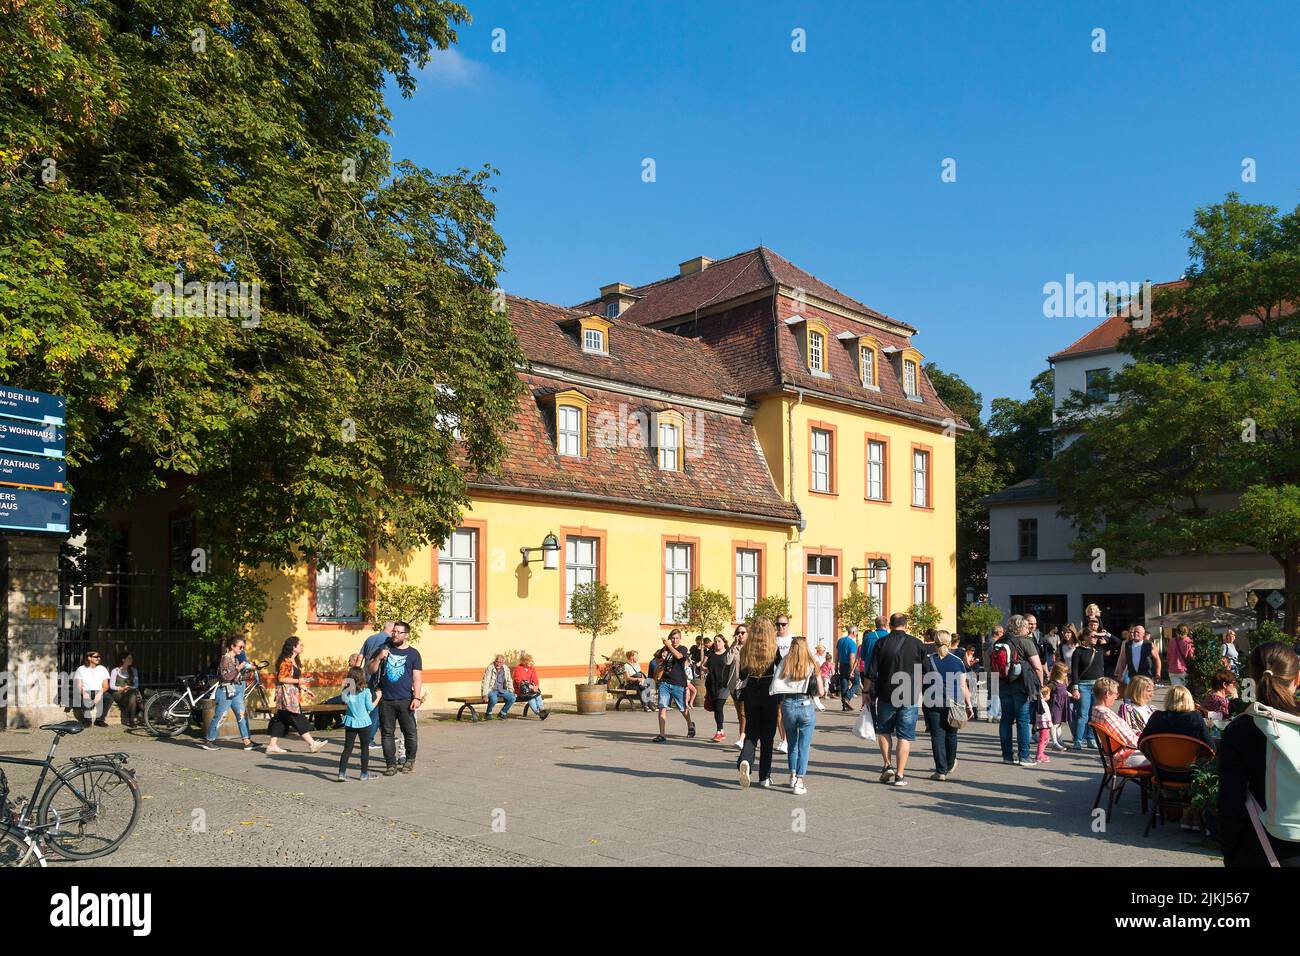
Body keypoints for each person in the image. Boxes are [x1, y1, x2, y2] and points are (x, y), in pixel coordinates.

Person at [1217, 642, 1300, 866]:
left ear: (1251, 679)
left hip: (1259, 847)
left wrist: (1230, 852)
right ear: (1297, 678)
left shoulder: (1241, 729)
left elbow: (1230, 802)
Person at [865, 612, 929, 787]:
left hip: (886, 693)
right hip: (909, 694)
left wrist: (865, 692)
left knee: (884, 731)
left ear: (890, 625)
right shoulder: (917, 644)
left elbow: (870, 671)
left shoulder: (881, 643)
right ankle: (900, 775)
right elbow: (928, 670)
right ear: (906, 625)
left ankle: (887, 765)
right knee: (904, 736)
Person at [367, 621, 422, 775]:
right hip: (386, 700)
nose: (395, 635)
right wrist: (378, 658)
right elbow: (371, 670)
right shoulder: (383, 649)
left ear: (406, 635)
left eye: (398, 632)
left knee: (410, 732)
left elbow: (417, 677)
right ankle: (390, 764)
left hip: (406, 699)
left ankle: (409, 761)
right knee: (387, 733)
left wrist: (416, 698)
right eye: (394, 632)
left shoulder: (413, 654)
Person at [922, 630, 972, 781]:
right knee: (951, 734)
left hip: (932, 701)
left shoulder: (928, 660)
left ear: (935, 642)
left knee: (937, 735)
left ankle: (941, 770)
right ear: (949, 643)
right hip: (954, 701)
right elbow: (963, 686)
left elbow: (921, 681)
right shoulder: (957, 661)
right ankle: (950, 764)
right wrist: (969, 705)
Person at [994, 614, 1044, 766]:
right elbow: (1037, 666)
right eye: (1026, 626)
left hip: (1003, 684)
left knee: (1006, 720)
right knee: (1023, 721)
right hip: (1021, 686)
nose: (1028, 628)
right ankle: (1024, 756)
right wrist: (1040, 686)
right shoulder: (1025, 642)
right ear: (1020, 627)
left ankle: (1007, 756)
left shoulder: (1000, 642)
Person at [774, 635, 821, 794]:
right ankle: (800, 781)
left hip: (787, 705)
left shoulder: (785, 662)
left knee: (792, 743)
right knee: (804, 746)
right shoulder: (812, 664)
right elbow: (821, 691)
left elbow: (776, 683)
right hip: (805, 704)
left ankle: (792, 775)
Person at [736, 617, 780, 788]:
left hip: (751, 689)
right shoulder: (773, 648)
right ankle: (764, 777)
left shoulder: (746, 649)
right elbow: (781, 667)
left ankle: (745, 760)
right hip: (769, 689)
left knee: (752, 731)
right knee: (768, 735)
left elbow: (742, 675)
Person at [266, 636, 328, 754]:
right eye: (300, 645)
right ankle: (312, 744)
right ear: (293, 647)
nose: (302, 647)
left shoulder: (295, 661)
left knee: (281, 720)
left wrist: (305, 689)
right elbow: (282, 678)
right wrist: (298, 682)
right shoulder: (286, 661)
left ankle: (272, 745)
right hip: (287, 697)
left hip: (291, 695)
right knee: (298, 718)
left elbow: (297, 679)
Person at [201, 636, 256, 751]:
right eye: (240, 647)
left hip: (235, 691)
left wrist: (251, 670)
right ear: (232, 646)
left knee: (242, 715)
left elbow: (238, 677)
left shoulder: (235, 659)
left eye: (243, 647)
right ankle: (209, 741)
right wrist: (239, 668)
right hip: (225, 692)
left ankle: (247, 741)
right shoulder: (225, 659)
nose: (242, 649)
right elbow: (226, 677)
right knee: (220, 716)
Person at [1087, 677, 1150, 769]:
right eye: (1116, 694)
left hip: (1121, 754)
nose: (1117, 697)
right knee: (1166, 759)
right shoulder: (1106, 715)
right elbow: (1130, 741)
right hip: (1126, 756)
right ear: (1107, 694)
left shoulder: (1096, 711)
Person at [338, 665, 380, 781]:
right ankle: (364, 774)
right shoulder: (366, 691)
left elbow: (344, 701)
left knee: (347, 748)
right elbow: (370, 707)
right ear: (362, 677)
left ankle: (341, 773)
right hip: (364, 723)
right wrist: (378, 698)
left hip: (350, 722)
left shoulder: (347, 691)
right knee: (364, 748)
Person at [1140, 684, 1214, 750]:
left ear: (1168, 699)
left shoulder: (1157, 716)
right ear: (1189, 700)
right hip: (1188, 761)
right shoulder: (1195, 717)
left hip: (1161, 761)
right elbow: (1210, 746)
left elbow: (1141, 743)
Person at [1069, 622, 1107, 750]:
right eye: (1092, 636)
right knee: (1083, 714)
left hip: (1097, 686)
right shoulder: (1078, 651)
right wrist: (1075, 688)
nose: (1095, 638)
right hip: (1083, 686)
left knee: (1093, 714)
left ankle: (1091, 739)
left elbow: (1117, 642)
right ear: (1084, 637)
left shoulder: (1099, 649)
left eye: (1096, 637)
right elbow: (1074, 671)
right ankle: (1078, 740)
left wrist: (1101, 633)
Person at [653, 629, 695, 742]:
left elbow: (679, 657)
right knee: (662, 706)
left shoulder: (683, 648)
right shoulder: (665, 649)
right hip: (665, 681)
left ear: (680, 639)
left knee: (682, 708)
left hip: (678, 682)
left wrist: (669, 646)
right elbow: (657, 662)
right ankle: (662, 734)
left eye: (676, 638)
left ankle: (690, 725)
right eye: (672, 638)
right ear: (670, 638)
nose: (674, 640)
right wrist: (662, 657)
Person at [359, 620, 395, 750]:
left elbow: (360, 657)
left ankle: (386, 734)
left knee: (374, 706)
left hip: (365, 676)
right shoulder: (389, 641)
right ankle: (368, 740)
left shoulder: (370, 638)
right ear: (392, 630)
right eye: (394, 631)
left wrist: (356, 674)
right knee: (377, 708)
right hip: (377, 678)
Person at [704, 634, 736, 742]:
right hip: (712, 683)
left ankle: (719, 731)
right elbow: (703, 665)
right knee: (716, 709)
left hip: (724, 684)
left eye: (719, 641)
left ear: (724, 642)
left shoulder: (728, 653)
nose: (717, 643)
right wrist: (706, 669)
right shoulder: (711, 653)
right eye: (715, 641)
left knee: (718, 706)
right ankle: (721, 732)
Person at [72, 650, 110, 727]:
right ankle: (87, 720)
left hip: (99, 691)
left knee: (109, 698)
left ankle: (100, 720)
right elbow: (79, 686)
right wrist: (84, 693)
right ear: (89, 658)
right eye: (96, 657)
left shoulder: (102, 669)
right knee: (82, 698)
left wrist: (99, 694)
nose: (99, 658)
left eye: (99, 657)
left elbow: (106, 686)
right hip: (86, 691)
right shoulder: (81, 669)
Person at [772, 615, 792, 754]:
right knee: (779, 711)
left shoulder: (793, 639)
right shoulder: (772, 639)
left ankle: (790, 740)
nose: (781, 627)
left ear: (788, 624)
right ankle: (784, 740)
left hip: (791, 681)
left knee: (790, 711)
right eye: (778, 624)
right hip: (776, 680)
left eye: (783, 624)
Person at [108, 652, 143, 728]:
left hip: (130, 692)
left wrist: (129, 688)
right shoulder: (115, 671)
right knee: (135, 696)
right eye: (129, 658)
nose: (131, 660)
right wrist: (121, 688)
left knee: (133, 695)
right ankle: (142, 711)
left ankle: (131, 720)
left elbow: (136, 685)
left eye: (131, 658)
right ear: (123, 660)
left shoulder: (134, 670)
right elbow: (111, 686)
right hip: (118, 693)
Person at [512, 652, 550, 720]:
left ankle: (542, 709)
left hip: (531, 689)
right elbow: (518, 680)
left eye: (531, 661)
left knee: (537, 695)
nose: (531, 663)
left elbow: (535, 679)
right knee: (531, 698)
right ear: (524, 662)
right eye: (529, 661)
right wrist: (530, 686)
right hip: (522, 690)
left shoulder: (532, 668)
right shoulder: (518, 668)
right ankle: (539, 712)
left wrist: (536, 686)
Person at [1046, 662, 1072, 751]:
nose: (1066, 674)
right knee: (1054, 724)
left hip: (1063, 704)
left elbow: (1064, 691)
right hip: (1055, 704)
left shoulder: (1063, 681)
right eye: (1064, 672)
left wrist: (1070, 694)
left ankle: (1060, 741)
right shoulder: (1053, 683)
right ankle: (1055, 743)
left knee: (1059, 724)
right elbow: (1045, 691)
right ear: (1058, 672)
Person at [730, 625, 749, 749]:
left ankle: (742, 739)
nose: (740, 635)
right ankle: (744, 737)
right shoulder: (734, 648)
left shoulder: (751, 648)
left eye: (742, 632)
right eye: (738, 633)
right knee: (739, 715)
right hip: (734, 685)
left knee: (743, 713)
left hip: (747, 684)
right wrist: (732, 647)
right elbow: (727, 661)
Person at [482, 654, 516, 719]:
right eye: (497, 662)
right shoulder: (490, 668)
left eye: (500, 662)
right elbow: (485, 681)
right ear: (495, 661)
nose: (498, 664)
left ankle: (503, 713)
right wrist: (485, 694)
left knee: (512, 698)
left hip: (502, 690)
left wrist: (511, 691)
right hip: (492, 690)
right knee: (494, 699)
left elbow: (509, 680)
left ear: (503, 663)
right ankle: (488, 713)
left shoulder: (505, 669)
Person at [983, 625, 1005, 722]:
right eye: (1002, 632)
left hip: (987, 670)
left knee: (990, 693)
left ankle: (989, 714)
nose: (1003, 634)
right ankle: (995, 714)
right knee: (996, 693)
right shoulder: (994, 644)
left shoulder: (986, 643)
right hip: (994, 670)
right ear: (998, 633)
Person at [836, 625, 860, 710]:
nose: (857, 634)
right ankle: (847, 698)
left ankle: (844, 706)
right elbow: (852, 657)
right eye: (857, 632)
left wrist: (836, 665)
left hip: (842, 665)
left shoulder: (840, 641)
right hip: (850, 665)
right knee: (856, 683)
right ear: (854, 632)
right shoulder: (852, 643)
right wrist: (852, 670)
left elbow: (837, 654)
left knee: (844, 685)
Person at [1031, 685, 1053, 763]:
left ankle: (1041, 753)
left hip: (1044, 724)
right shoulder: (1042, 703)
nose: (1049, 696)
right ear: (1045, 695)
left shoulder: (1042, 703)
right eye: (1049, 694)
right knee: (1043, 740)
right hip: (1044, 724)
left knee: (1045, 739)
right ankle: (1039, 755)